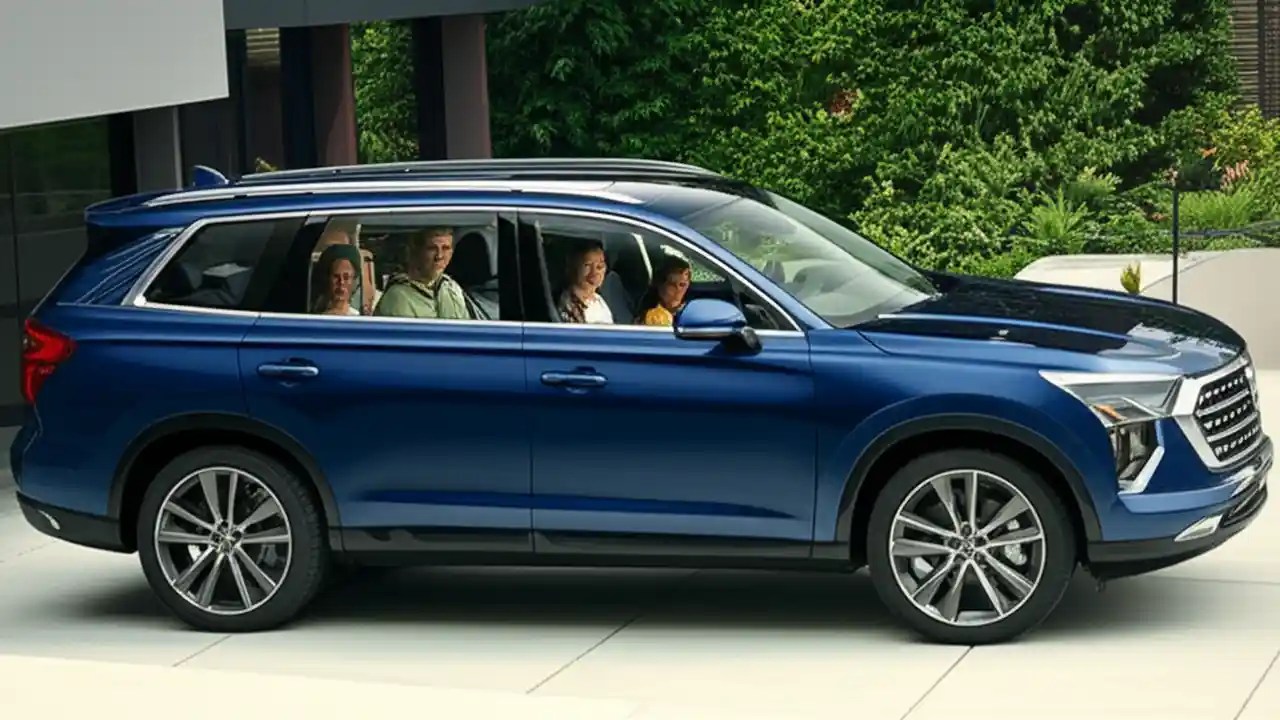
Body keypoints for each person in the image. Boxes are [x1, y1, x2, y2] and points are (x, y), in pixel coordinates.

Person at [374, 226, 470, 320]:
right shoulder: (397, 297)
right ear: (417, 251)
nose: (439, 256)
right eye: (432, 248)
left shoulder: (452, 289)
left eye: (445, 248)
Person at [557, 240, 614, 324]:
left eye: (600, 266)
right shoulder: (570, 304)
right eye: (587, 265)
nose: (595, 273)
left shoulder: (597, 299)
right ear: (573, 268)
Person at [636, 254, 692, 326]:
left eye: (682, 284)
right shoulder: (654, 317)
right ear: (659, 285)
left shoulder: (689, 308)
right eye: (672, 284)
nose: (678, 290)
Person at [312, 244, 363, 316]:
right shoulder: (314, 319)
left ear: (353, 280)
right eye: (336, 276)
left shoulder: (362, 320)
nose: (341, 282)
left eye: (346, 277)